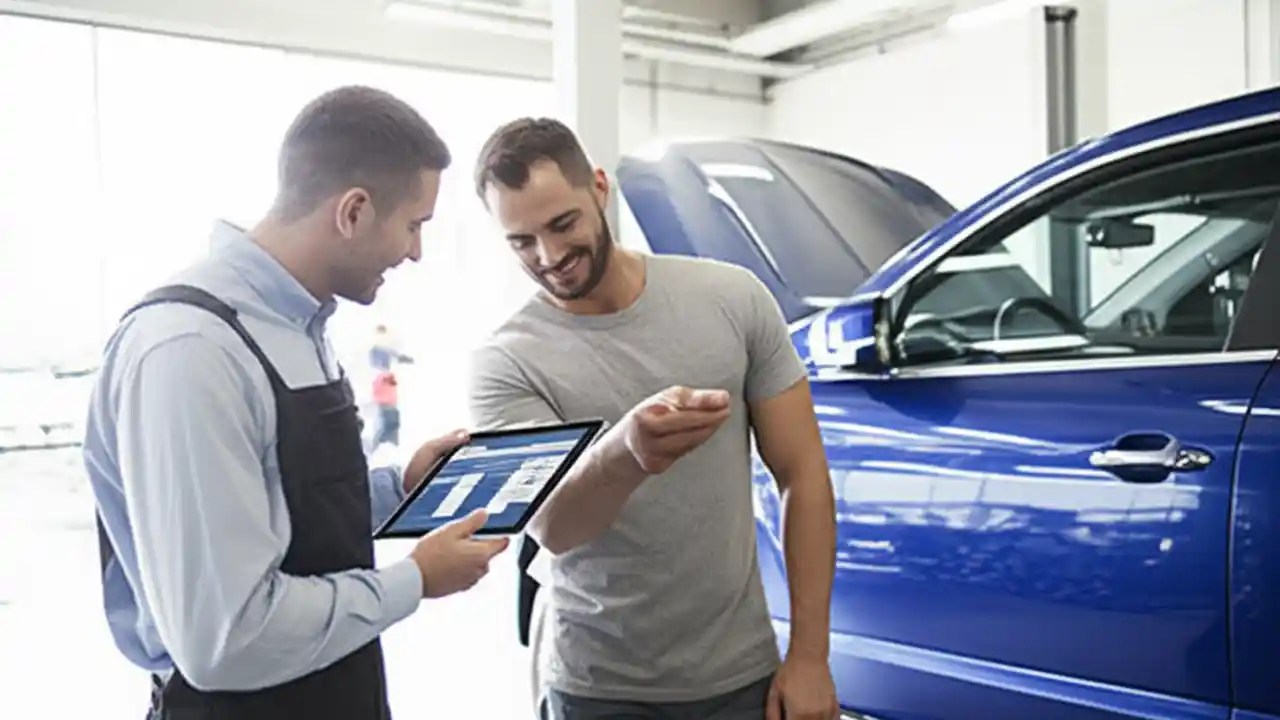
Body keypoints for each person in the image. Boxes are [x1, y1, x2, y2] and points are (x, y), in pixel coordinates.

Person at [83, 85, 509, 720]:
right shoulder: (191, 351)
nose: (415, 252)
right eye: (414, 225)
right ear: (355, 211)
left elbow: (280, 511)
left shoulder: (297, 328)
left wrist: (403, 487)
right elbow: (227, 638)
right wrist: (415, 579)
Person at [467, 117, 841, 720]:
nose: (550, 256)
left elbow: (803, 473)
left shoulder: (732, 299)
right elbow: (553, 528)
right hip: (598, 688)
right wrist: (627, 452)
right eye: (522, 241)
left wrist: (810, 657)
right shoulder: (507, 361)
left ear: (598, 187)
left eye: (563, 224)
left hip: (739, 675)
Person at [367, 323, 415, 452]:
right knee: (389, 423)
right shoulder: (377, 351)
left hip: (387, 394)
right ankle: (377, 450)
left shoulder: (383, 351)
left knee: (390, 423)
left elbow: (399, 357)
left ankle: (385, 449)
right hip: (384, 393)